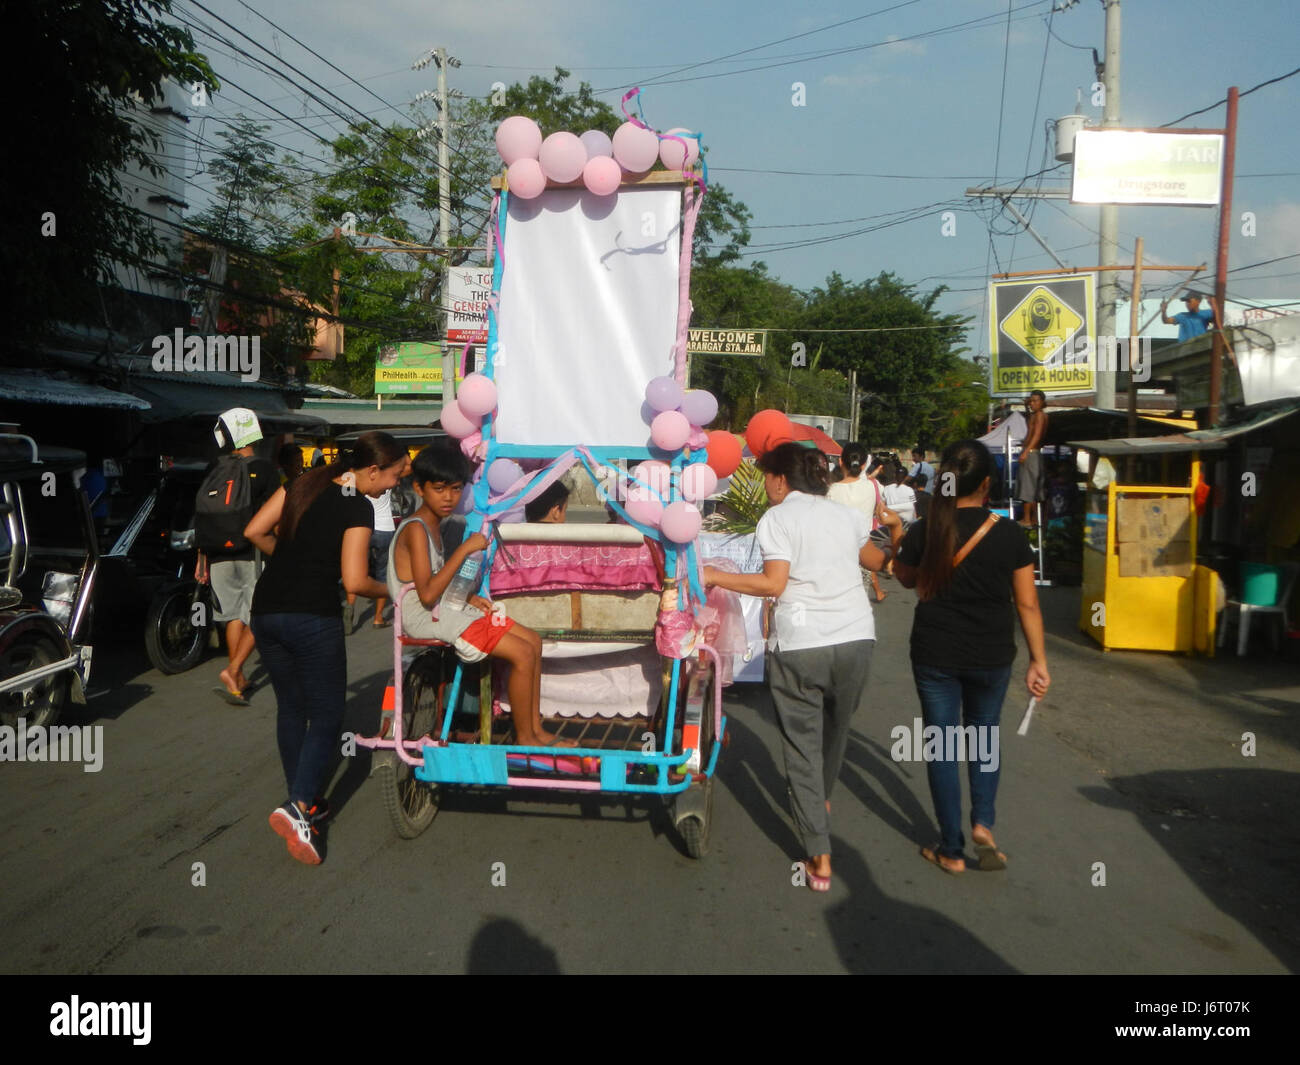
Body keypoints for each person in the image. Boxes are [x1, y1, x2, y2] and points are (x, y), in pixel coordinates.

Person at [702, 442, 902, 894]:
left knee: (801, 743)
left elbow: (773, 582)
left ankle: (819, 852)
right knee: (837, 728)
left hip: (801, 644)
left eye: (766, 477)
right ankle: (820, 801)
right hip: (856, 638)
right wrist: (899, 533)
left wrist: (715, 575)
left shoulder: (777, 518)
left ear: (779, 479)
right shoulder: (843, 515)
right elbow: (881, 563)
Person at [245, 431, 409, 865]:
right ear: (372, 470)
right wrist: (396, 590)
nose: (394, 485)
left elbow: (254, 530)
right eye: (394, 476)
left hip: (266, 611)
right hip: (311, 616)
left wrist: (290, 561)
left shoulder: (300, 483)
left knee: (291, 709)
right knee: (328, 715)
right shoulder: (357, 504)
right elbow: (355, 581)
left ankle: (302, 802)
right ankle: (298, 805)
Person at [893, 439, 1051, 875]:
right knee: (983, 738)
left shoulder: (928, 527)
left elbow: (904, 578)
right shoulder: (1010, 535)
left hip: (935, 654)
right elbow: (1028, 605)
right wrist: (1038, 660)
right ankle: (983, 823)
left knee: (943, 746)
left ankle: (950, 848)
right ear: (987, 484)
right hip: (992, 655)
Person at [388, 443, 557, 749]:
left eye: (455, 489)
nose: (449, 497)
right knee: (520, 654)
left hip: (444, 608)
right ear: (418, 488)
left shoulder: (436, 525)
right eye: (439, 489)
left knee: (533, 641)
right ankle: (526, 737)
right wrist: (464, 550)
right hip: (425, 617)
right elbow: (425, 593)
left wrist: (468, 600)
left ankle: (534, 729)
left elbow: (430, 585)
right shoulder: (416, 529)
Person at [195, 409, 279, 706]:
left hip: (216, 553)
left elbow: (202, 515)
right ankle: (232, 670)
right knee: (260, 614)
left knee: (232, 616)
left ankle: (239, 678)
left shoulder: (213, 468)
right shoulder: (266, 470)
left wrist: (201, 559)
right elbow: (276, 516)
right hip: (253, 554)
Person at [827, 442, 890, 603]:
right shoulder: (871, 487)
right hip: (863, 553)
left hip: (836, 557)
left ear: (840, 462)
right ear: (864, 465)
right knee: (859, 602)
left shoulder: (831, 491)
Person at [346, 483, 404, 630]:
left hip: (363, 528)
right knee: (383, 574)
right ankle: (378, 618)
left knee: (355, 571)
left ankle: (350, 606)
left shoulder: (361, 479)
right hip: (385, 528)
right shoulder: (387, 477)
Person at [1016, 390, 1048, 528]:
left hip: (1031, 453)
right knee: (1033, 489)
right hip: (1032, 453)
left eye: (1035, 401)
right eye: (1031, 401)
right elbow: (1030, 423)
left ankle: (1027, 519)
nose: (1032, 403)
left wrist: (1026, 451)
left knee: (1027, 489)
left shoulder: (1041, 415)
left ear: (1042, 402)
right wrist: (1025, 407)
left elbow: (1037, 435)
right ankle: (1033, 519)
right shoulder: (1034, 415)